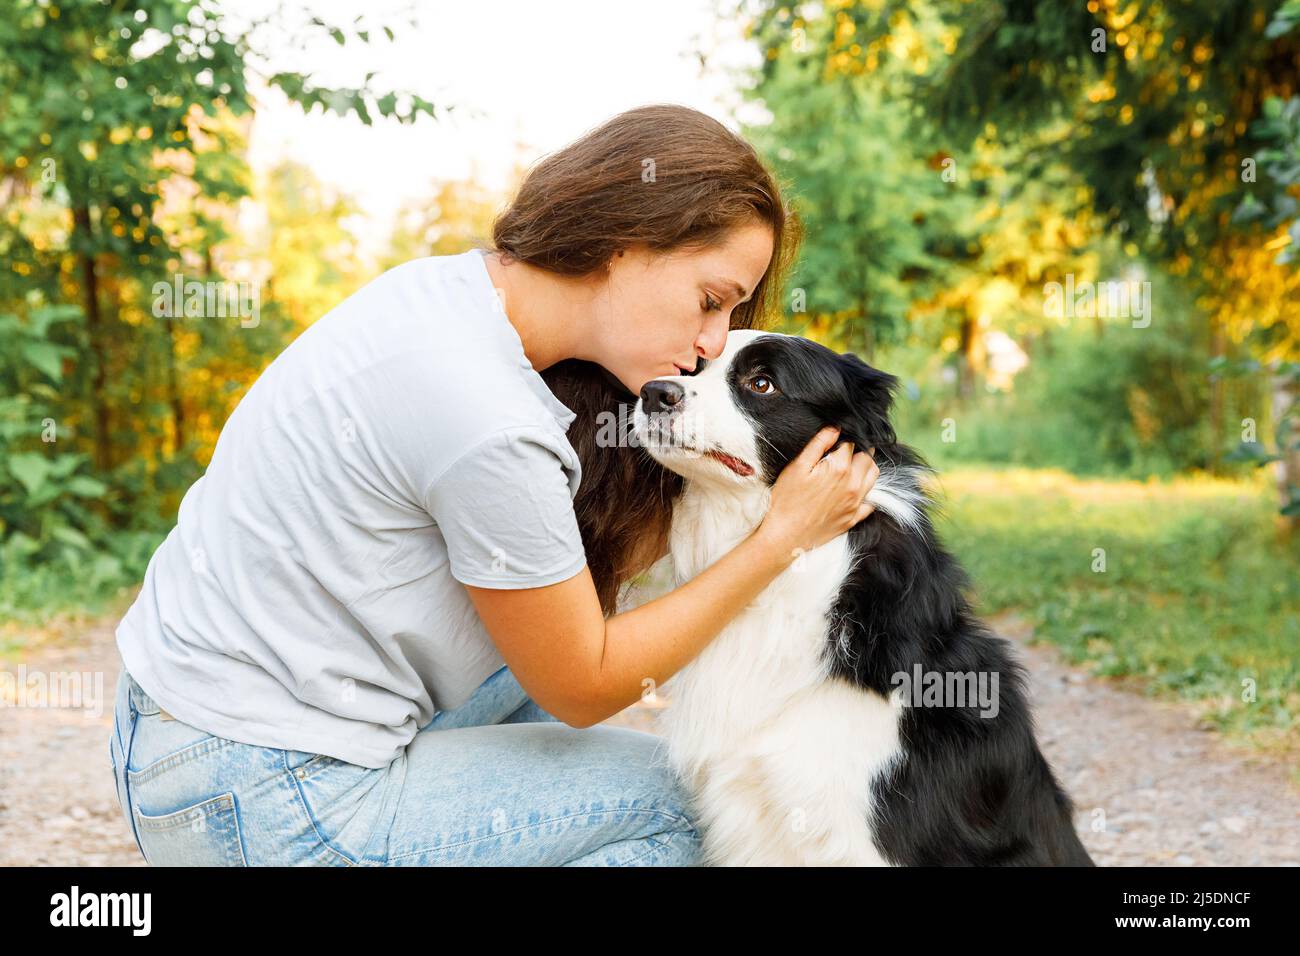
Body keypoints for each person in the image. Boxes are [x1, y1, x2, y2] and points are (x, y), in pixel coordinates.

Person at [107, 103, 881, 866]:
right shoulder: (487, 417)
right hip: (265, 792)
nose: (713, 339)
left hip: (177, 733)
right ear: (626, 243)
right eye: (711, 300)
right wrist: (780, 540)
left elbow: (576, 620)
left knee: (544, 657)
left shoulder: (451, 295)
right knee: (689, 801)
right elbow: (587, 683)